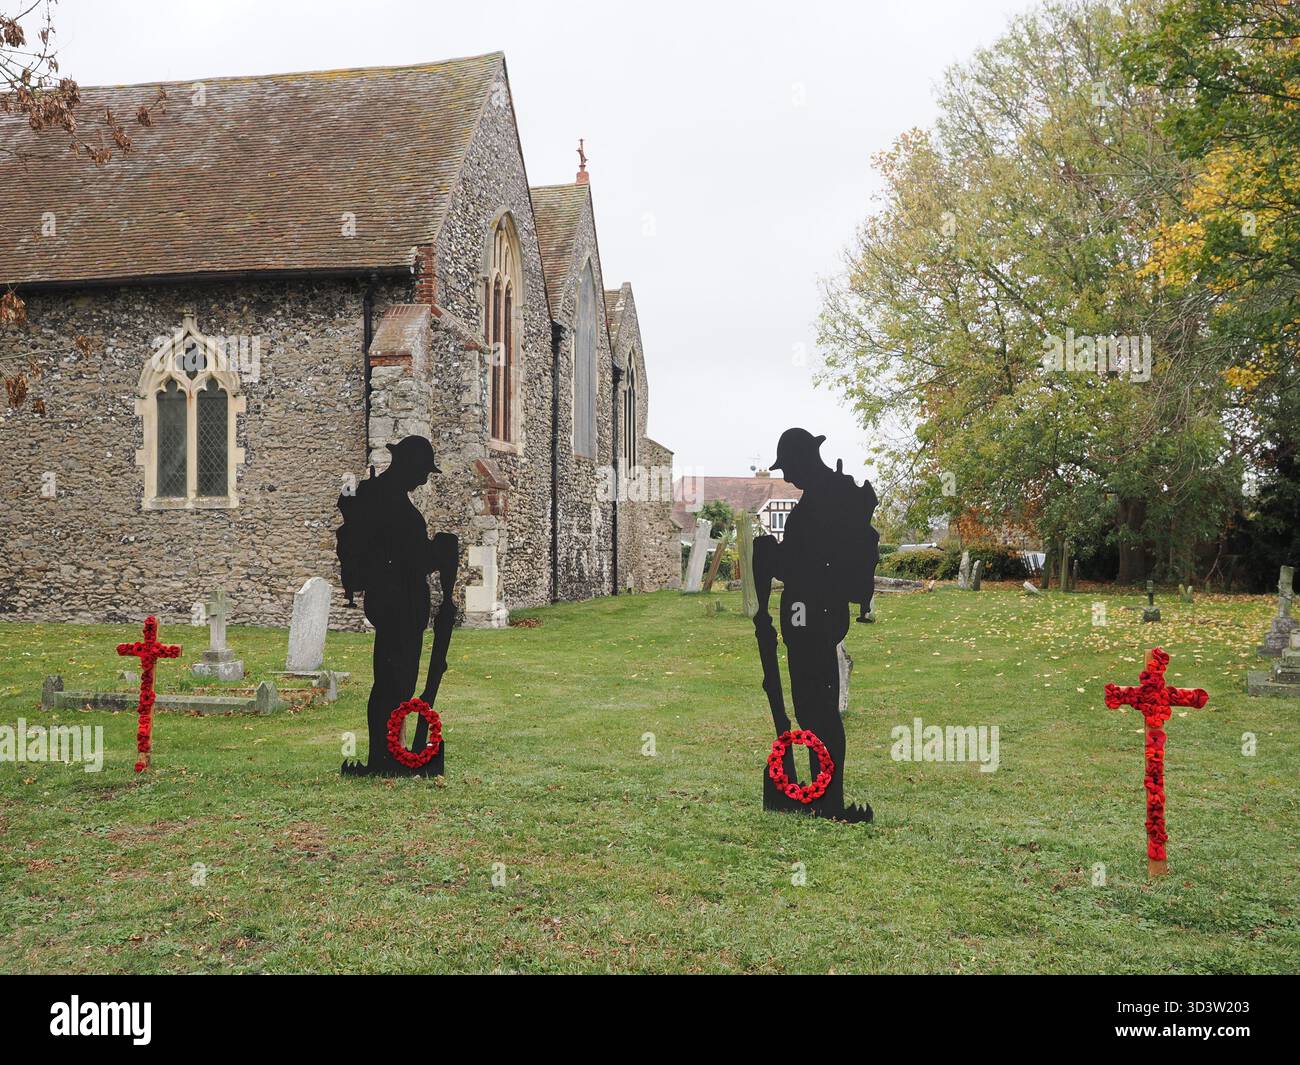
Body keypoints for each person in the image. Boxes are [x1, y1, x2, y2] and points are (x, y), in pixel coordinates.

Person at [753, 428, 876, 821]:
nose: (787, 477)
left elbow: (804, 567)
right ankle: (824, 796)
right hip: (816, 616)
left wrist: (769, 554)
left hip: (812, 617)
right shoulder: (826, 495)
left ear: (806, 458)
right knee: (815, 709)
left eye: (789, 467)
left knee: (815, 710)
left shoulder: (820, 502)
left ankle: (829, 801)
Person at [341, 436, 456, 773]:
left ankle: (389, 752)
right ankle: (387, 757)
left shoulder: (382, 497)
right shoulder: (395, 506)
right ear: (407, 466)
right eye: (422, 472)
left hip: (391, 602)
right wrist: (441, 551)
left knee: (392, 682)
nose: (424, 480)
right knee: (395, 682)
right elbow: (412, 559)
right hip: (398, 605)